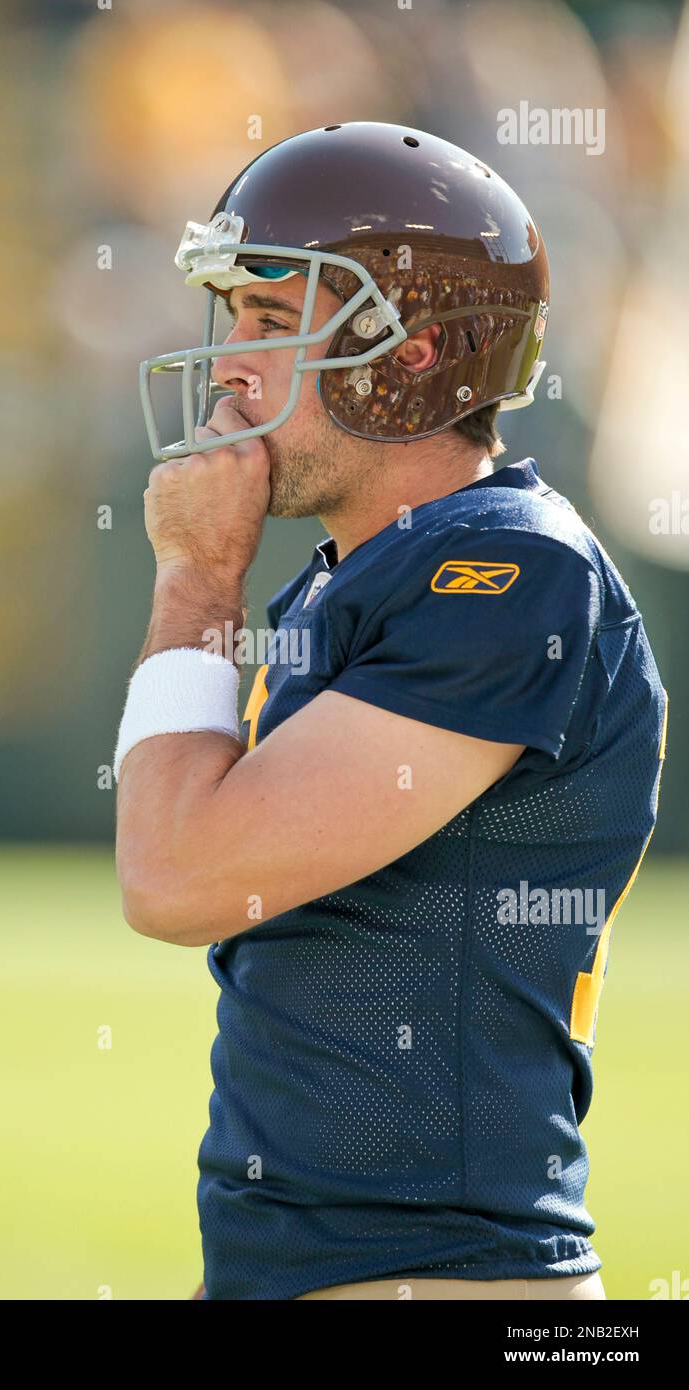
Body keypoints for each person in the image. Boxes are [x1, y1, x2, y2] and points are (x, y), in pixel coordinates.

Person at [115, 123, 667, 1301]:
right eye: (234, 321)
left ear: (409, 354)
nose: (228, 366)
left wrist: (197, 581)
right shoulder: (357, 572)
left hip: (441, 1275)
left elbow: (172, 873)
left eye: (272, 323)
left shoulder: (509, 574)